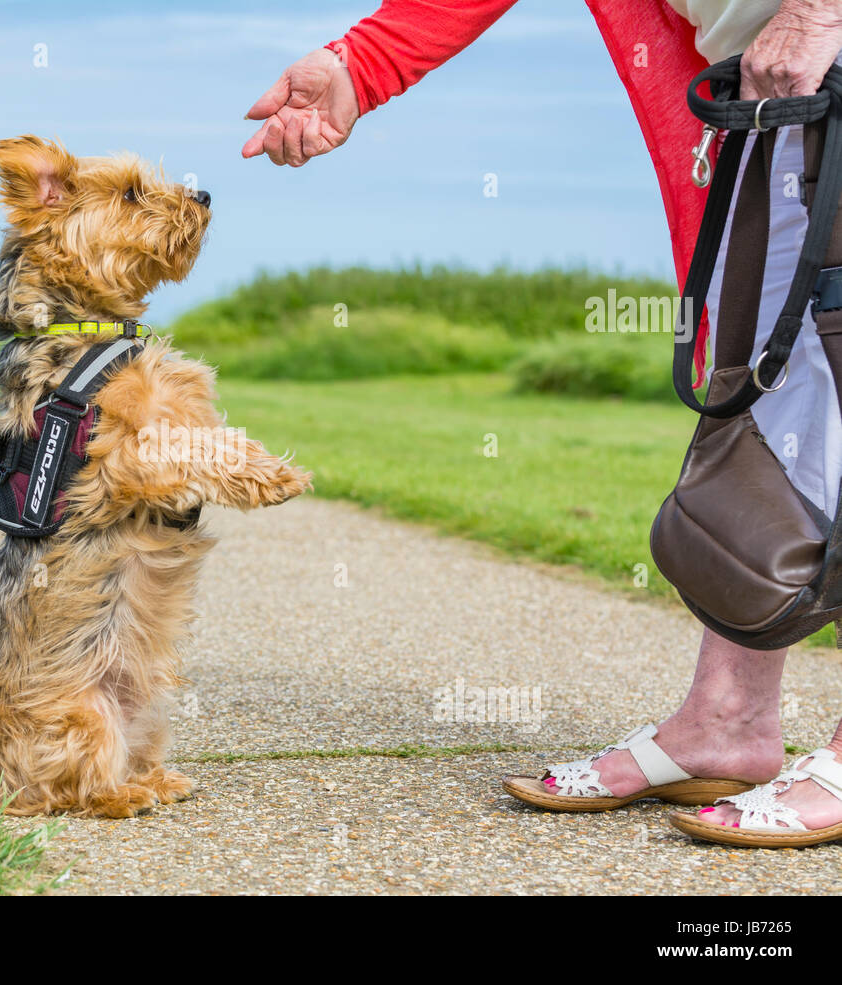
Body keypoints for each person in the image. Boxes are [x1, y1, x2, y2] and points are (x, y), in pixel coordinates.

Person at [242, 0, 842, 846]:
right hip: (773, 89)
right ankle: (728, 718)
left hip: (818, 51)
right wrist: (360, 65)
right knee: (768, 388)